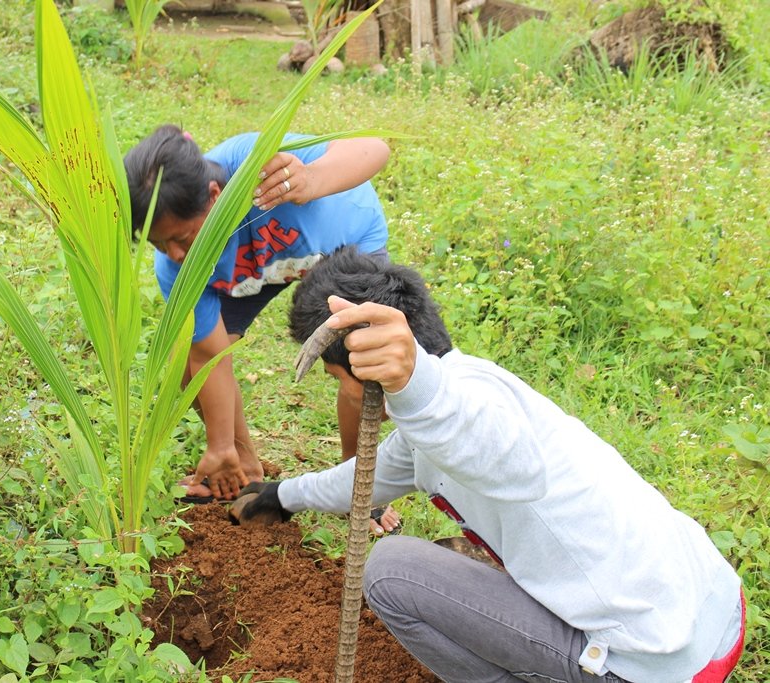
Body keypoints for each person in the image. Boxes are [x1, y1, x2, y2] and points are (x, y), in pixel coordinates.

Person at [232, 248, 745, 683]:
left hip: (655, 663)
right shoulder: (470, 384)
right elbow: (364, 479)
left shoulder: (457, 409)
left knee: (391, 571)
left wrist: (412, 387)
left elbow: (513, 462)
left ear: (373, 360)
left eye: (336, 378)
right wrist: (280, 495)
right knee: (449, 561)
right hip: (711, 614)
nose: (341, 391)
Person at [124, 124, 399, 532]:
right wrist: (220, 446)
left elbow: (374, 147)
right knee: (187, 365)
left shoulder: (259, 164)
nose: (175, 255)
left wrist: (310, 179)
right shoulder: (177, 268)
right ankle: (244, 468)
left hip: (340, 246)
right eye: (161, 245)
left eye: (181, 238)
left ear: (216, 198)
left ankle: (354, 483)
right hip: (250, 270)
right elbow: (210, 358)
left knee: (361, 368)